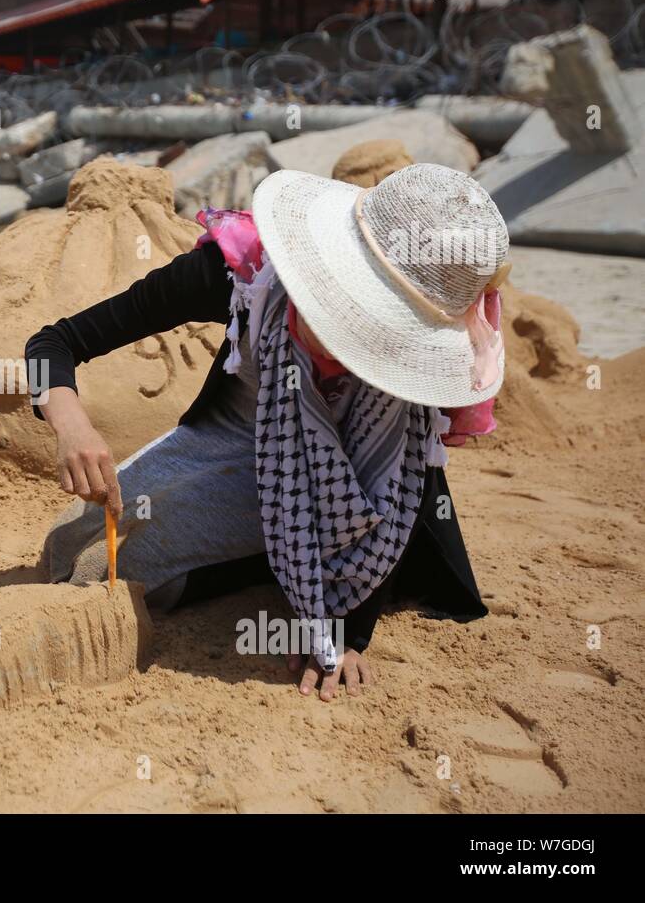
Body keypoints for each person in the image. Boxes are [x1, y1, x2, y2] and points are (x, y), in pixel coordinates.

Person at [26, 159, 507, 702]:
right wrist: (71, 423)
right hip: (233, 440)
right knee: (68, 545)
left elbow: (395, 491)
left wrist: (349, 635)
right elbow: (53, 344)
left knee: (102, 574)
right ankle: (279, 561)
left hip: (342, 490)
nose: (353, 341)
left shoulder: (415, 371)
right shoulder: (244, 276)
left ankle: (269, 564)